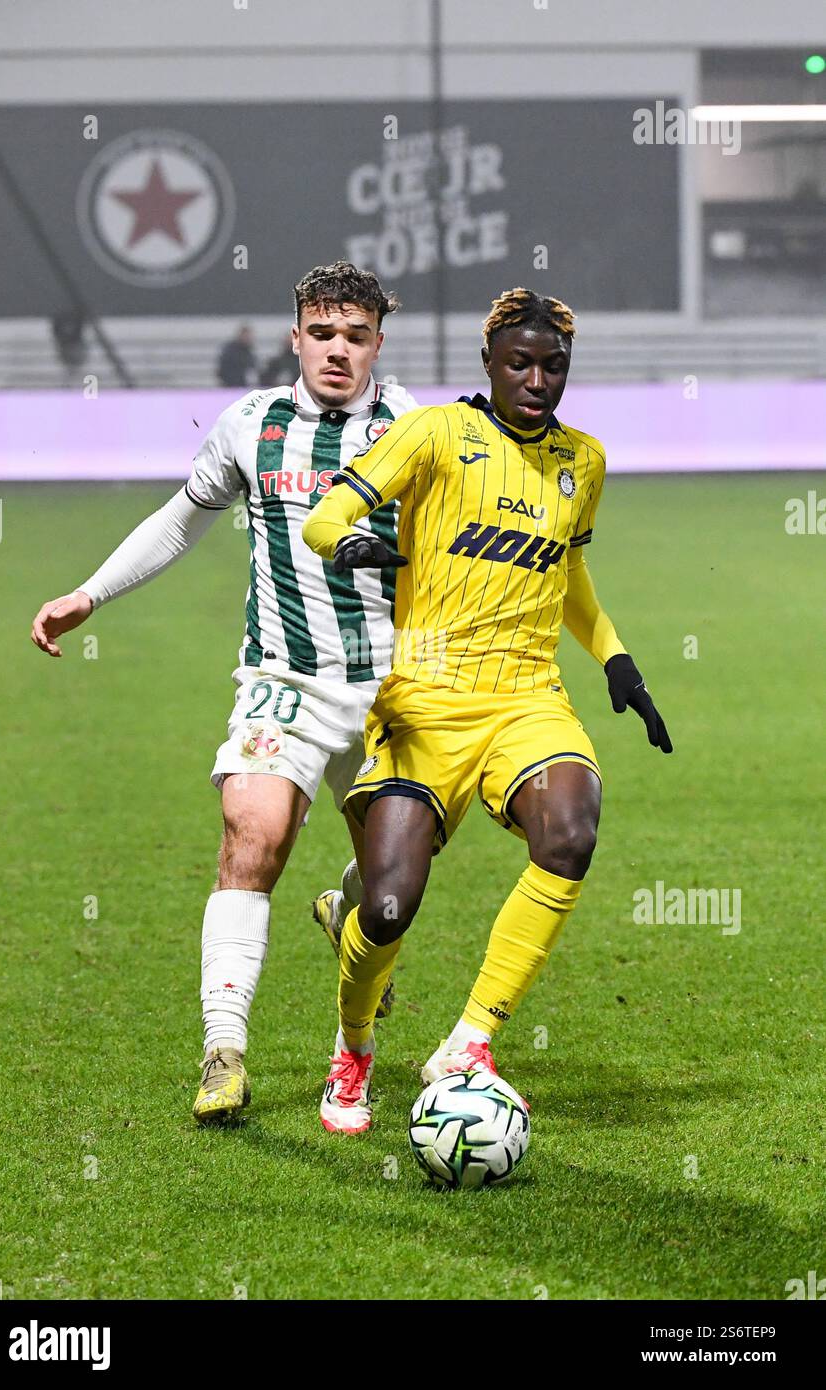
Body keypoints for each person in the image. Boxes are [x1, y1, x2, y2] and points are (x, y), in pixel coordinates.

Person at [30, 261, 418, 1124]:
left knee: (395, 881)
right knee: (253, 835)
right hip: (281, 679)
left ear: (376, 345)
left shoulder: (415, 430)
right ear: (295, 339)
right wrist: (89, 592)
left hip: (391, 689)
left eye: (355, 335)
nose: (337, 351)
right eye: (322, 333)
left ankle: (342, 908)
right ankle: (224, 1052)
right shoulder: (253, 424)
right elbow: (182, 516)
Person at [302, 287, 673, 1134]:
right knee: (389, 905)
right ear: (489, 365)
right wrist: (349, 542)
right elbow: (326, 517)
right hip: (426, 697)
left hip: (526, 696)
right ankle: (353, 1047)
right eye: (520, 363)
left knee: (570, 832)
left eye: (553, 366)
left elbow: (566, 573)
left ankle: (469, 1041)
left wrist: (614, 658)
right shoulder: (435, 434)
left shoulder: (584, 461)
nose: (537, 379)